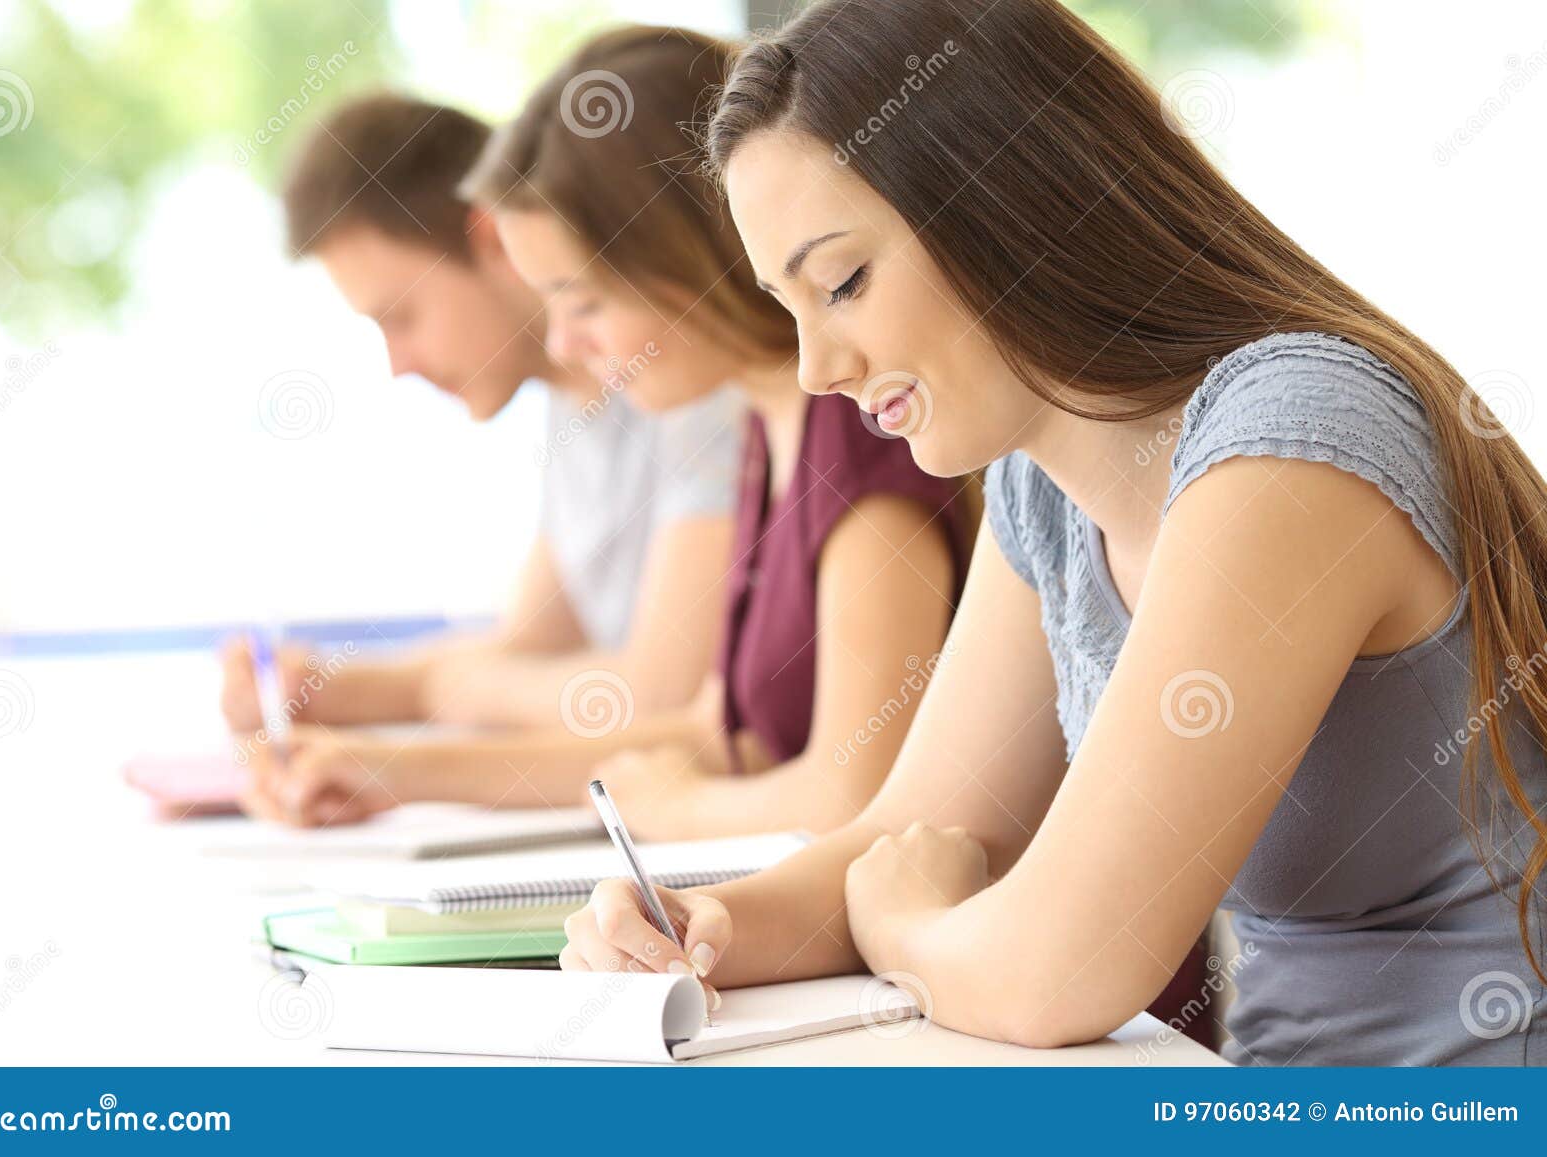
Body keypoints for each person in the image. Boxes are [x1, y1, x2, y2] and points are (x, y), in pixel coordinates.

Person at [559, 0, 1547, 1066]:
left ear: (1012, 201)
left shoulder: (1290, 440)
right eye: (790, 306)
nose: (816, 368)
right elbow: (925, 836)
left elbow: (1058, 973)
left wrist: (900, 925)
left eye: (842, 282)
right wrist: (703, 925)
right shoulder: (1043, 482)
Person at [241, 27, 975, 847]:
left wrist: (666, 810)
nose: (563, 343)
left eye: (584, 301)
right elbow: (717, 735)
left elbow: (850, 792)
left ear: (682, 259)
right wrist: (393, 773)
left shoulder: (850, 433)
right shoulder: (769, 433)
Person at [220, 93, 744, 757]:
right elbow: (532, 642)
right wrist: (317, 689)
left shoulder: (688, 382)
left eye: (401, 317)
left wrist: (448, 691)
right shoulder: (572, 408)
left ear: (491, 236)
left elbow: (658, 693)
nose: (397, 365)